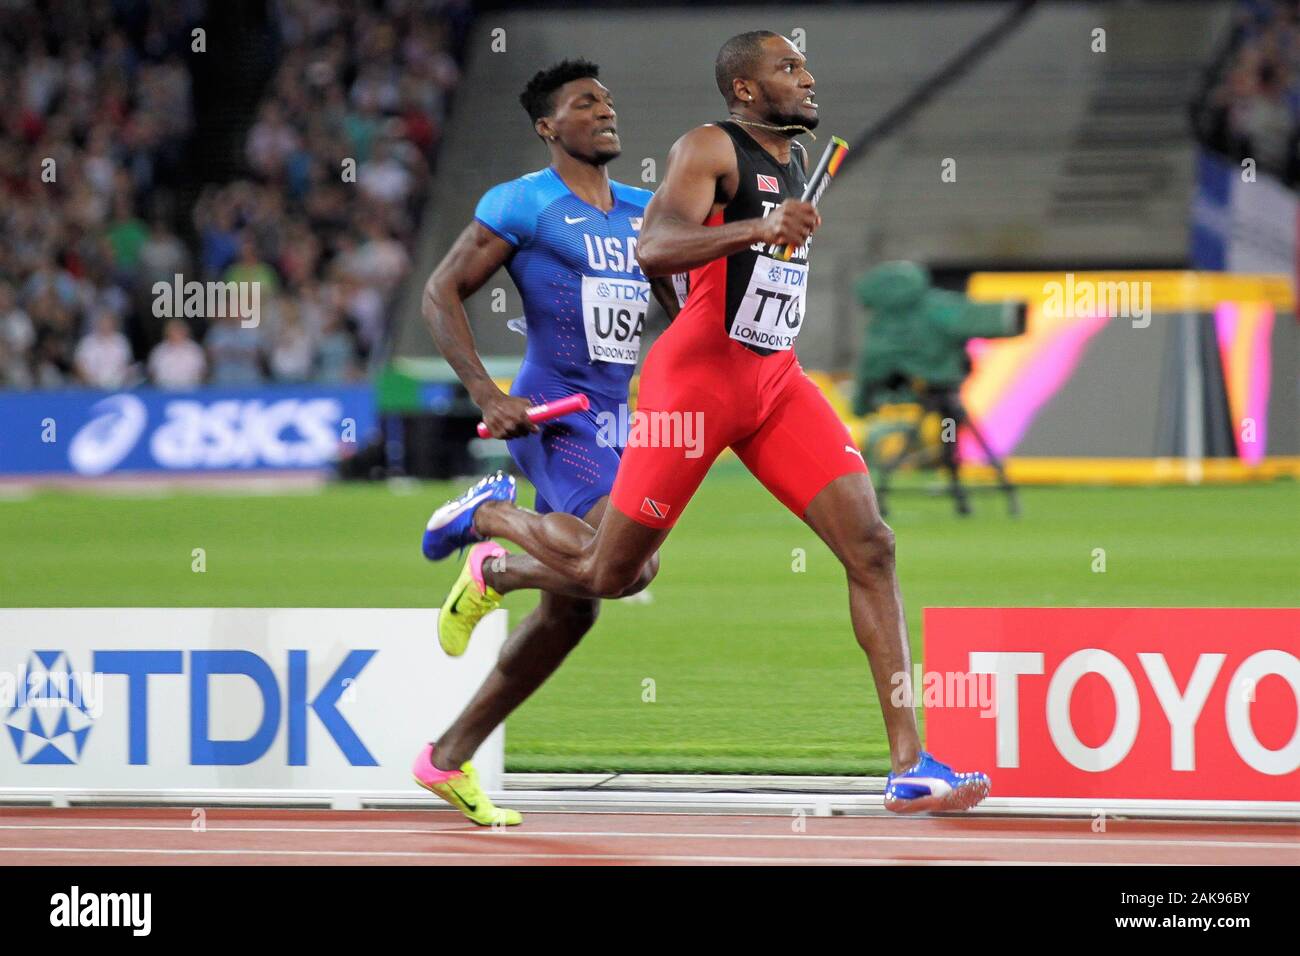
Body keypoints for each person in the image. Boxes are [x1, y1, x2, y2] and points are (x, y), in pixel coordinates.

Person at [424, 32, 991, 816]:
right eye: (789, 68)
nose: (809, 77)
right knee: (609, 576)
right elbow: (656, 247)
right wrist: (759, 231)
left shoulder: (793, 161)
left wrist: (761, 243)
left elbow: (685, 281)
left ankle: (908, 765)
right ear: (747, 90)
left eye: (806, 64)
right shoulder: (707, 147)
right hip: (696, 387)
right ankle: (485, 521)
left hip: (774, 381)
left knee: (873, 545)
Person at [415, 60, 680, 825]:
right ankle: (486, 527)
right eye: (584, 102)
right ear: (547, 127)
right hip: (550, 413)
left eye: (607, 97)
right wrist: (488, 394)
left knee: (573, 613)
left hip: (615, 419)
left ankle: (446, 758)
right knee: (628, 567)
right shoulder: (522, 204)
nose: (605, 109)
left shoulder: (644, 211)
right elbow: (441, 292)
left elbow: (680, 309)